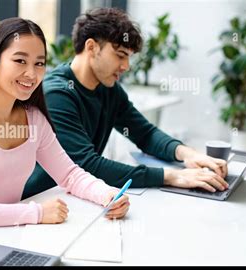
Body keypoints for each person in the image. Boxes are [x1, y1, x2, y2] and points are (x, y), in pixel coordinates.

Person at [0, 17, 129, 227]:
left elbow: (69, 174)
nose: (31, 73)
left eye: (39, 63)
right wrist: (37, 213)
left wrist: (106, 194)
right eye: (20, 60)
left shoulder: (34, 119)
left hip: (6, 233)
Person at [22, 8, 229, 199]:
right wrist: (172, 176)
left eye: (128, 57)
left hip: (74, 198)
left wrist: (188, 154)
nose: (126, 66)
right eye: (120, 55)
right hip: (40, 201)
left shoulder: (108, 89)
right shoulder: (57, 94)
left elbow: (145, 134)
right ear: (92, 47)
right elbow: (87, 165)